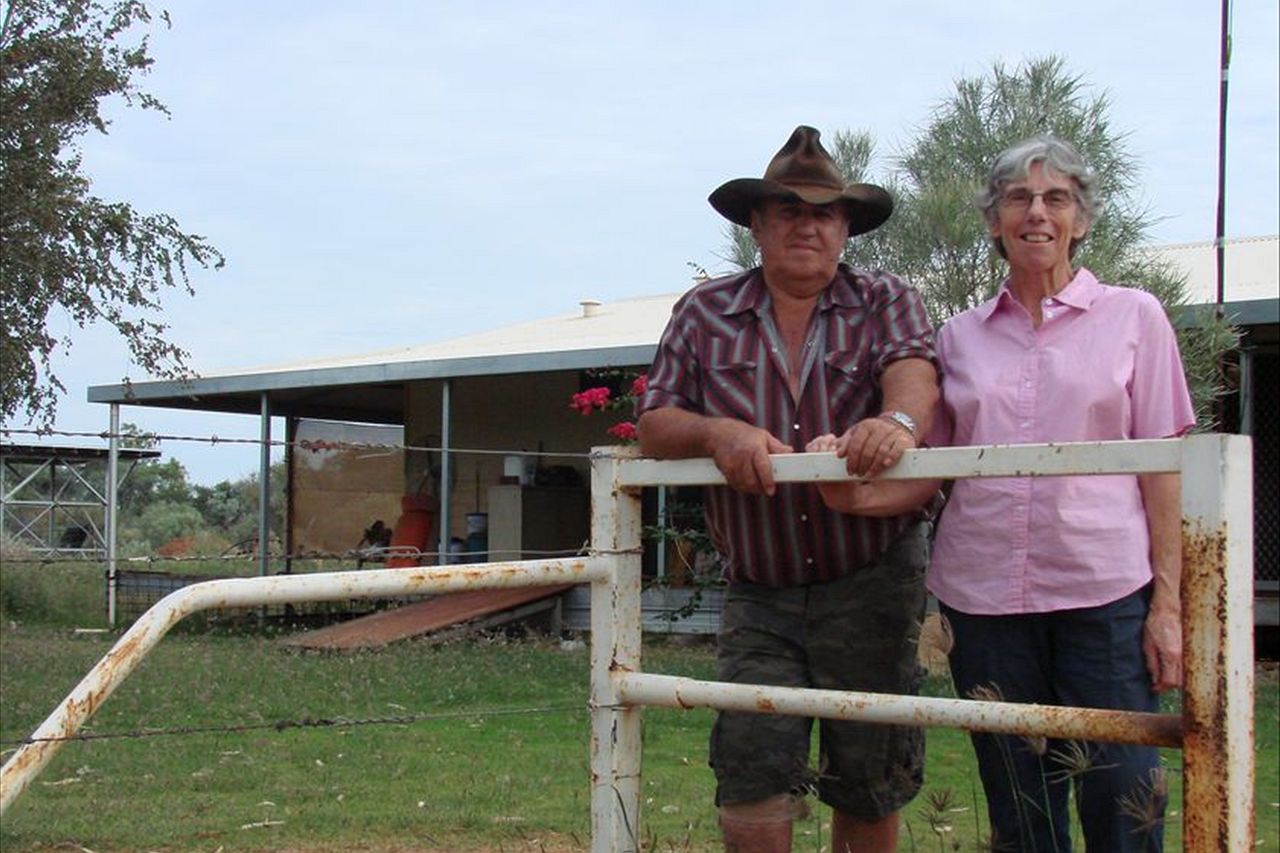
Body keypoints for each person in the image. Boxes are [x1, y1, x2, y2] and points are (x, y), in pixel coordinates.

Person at [635, 125, 940, 853]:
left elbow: (915, 373)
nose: (808, 226)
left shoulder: (886, 299)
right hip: (760, 584)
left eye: (825, 213)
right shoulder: (705, 312)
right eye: (789, 211)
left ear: (845, 228)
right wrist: (718, 433)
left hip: (872, 576)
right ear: (757, 225)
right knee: (751, 763)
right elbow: (655, 420)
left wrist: (893, 423)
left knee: (869, 769)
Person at [923, 136, 1192, 852]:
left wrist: (1168, 605)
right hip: (982, 599)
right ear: (994, 220)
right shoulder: (957, 337)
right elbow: (926, 461)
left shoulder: (1135, 317)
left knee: (1124, 794)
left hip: (1103, 592)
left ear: (1081, 219)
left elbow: (1164, 468)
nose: (1037, 212)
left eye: (1056, 198)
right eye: (1019, 198)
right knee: (1020, 808)